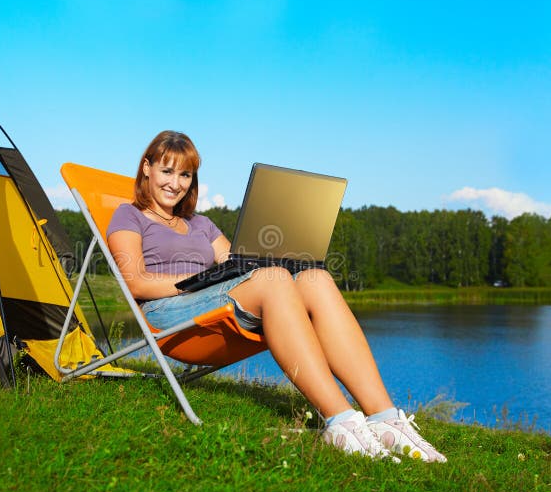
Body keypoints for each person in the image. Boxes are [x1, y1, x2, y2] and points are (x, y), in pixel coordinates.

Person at [106, 130, 446, 462]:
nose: (175, 183)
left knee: (315, 278)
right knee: (273, 278)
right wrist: (200, 279)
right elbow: (136, 283)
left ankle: (384, 418)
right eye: (166, 171)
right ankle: (341, 421)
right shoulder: (130, 215)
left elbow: (236, 265)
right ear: (146, 167)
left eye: (185, 174)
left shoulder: (201, 224)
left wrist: (263, 259)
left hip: (213, 309)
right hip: (168, 318)